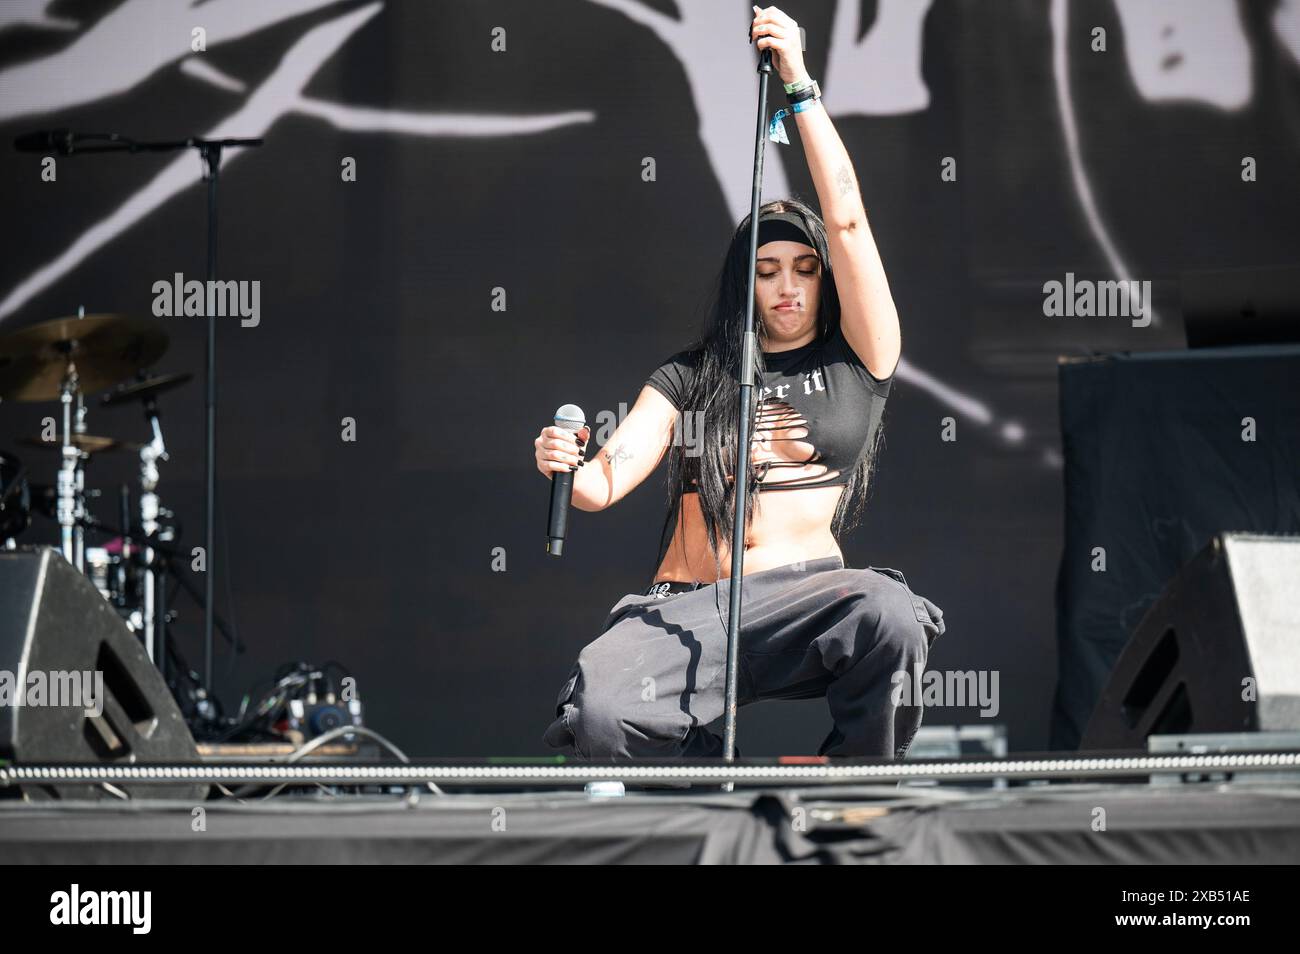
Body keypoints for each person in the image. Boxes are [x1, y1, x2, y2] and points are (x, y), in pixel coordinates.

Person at [535, 6, 944, 760]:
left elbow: (847, 219)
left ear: (825, 280)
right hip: (688, 612)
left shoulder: (860, 357)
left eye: (804, 269)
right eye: (766, 271)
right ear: (742, 286)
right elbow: (604, 481)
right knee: (598, 713)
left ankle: (848, 790)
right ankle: (693, 805)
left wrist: (798, 83)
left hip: (805, 600)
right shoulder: (693, 376)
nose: (787, 286)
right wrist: (565, 461)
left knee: (888, 612)